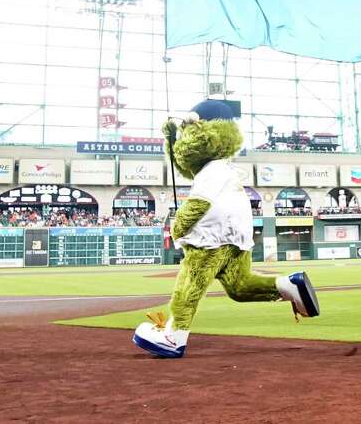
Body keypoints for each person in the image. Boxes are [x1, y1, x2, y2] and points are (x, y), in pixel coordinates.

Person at [133, 101, 319, 359]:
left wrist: (178, 226)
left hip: (212, 236)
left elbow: (199, 203)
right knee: (239, 286)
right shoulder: (222, 168)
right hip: (237, 237)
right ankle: (289, 286)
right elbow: (186, 168)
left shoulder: (213, 170)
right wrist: (172, 139)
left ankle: (173, 337)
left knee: (189, 284)